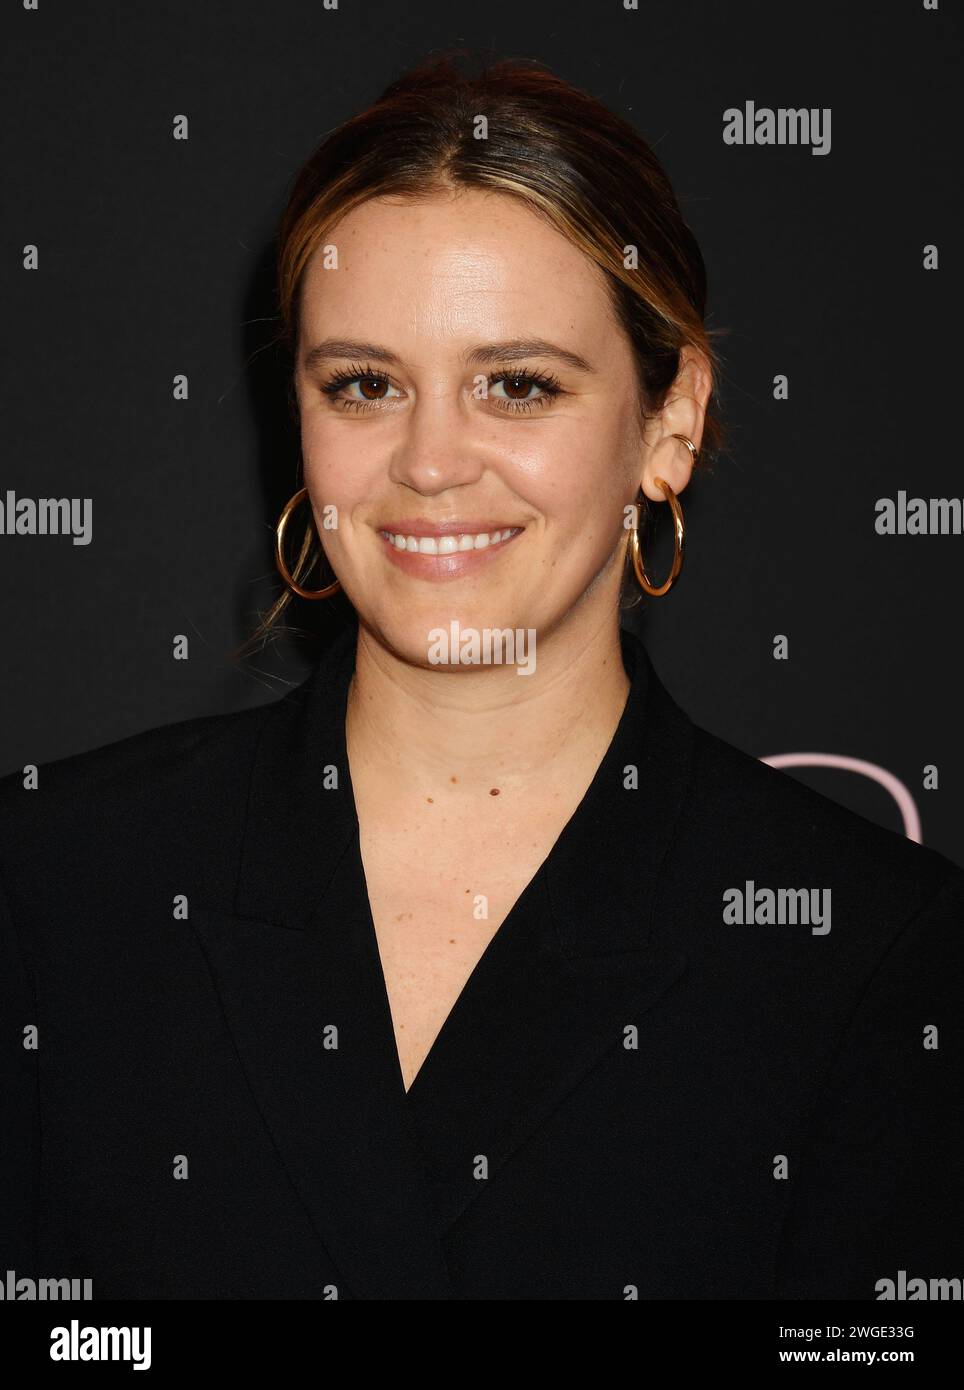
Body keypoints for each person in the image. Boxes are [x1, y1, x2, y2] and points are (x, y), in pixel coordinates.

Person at [1, 53, 962, 1302]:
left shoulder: (878, 958)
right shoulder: (55, 884)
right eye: (364, 384)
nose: (432, 461)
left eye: (517, 385)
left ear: (668, 423)